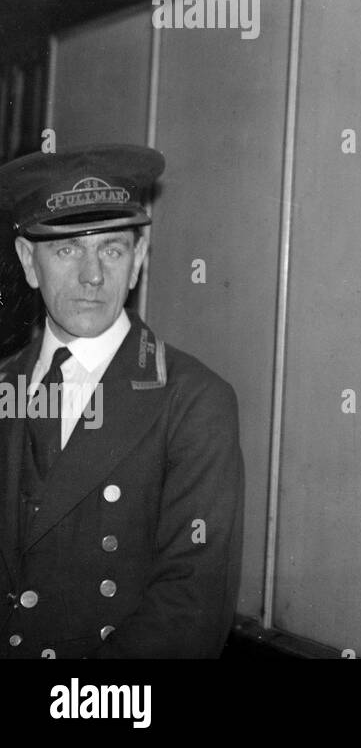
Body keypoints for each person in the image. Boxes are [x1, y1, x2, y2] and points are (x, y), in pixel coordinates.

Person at [0, 144, 243, 659]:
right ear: (28, 261)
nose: (92, 276)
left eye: (111, 250)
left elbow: (190, 610)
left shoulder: (194, 402)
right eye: (67, 250)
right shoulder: (6, 386)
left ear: (137, 261)